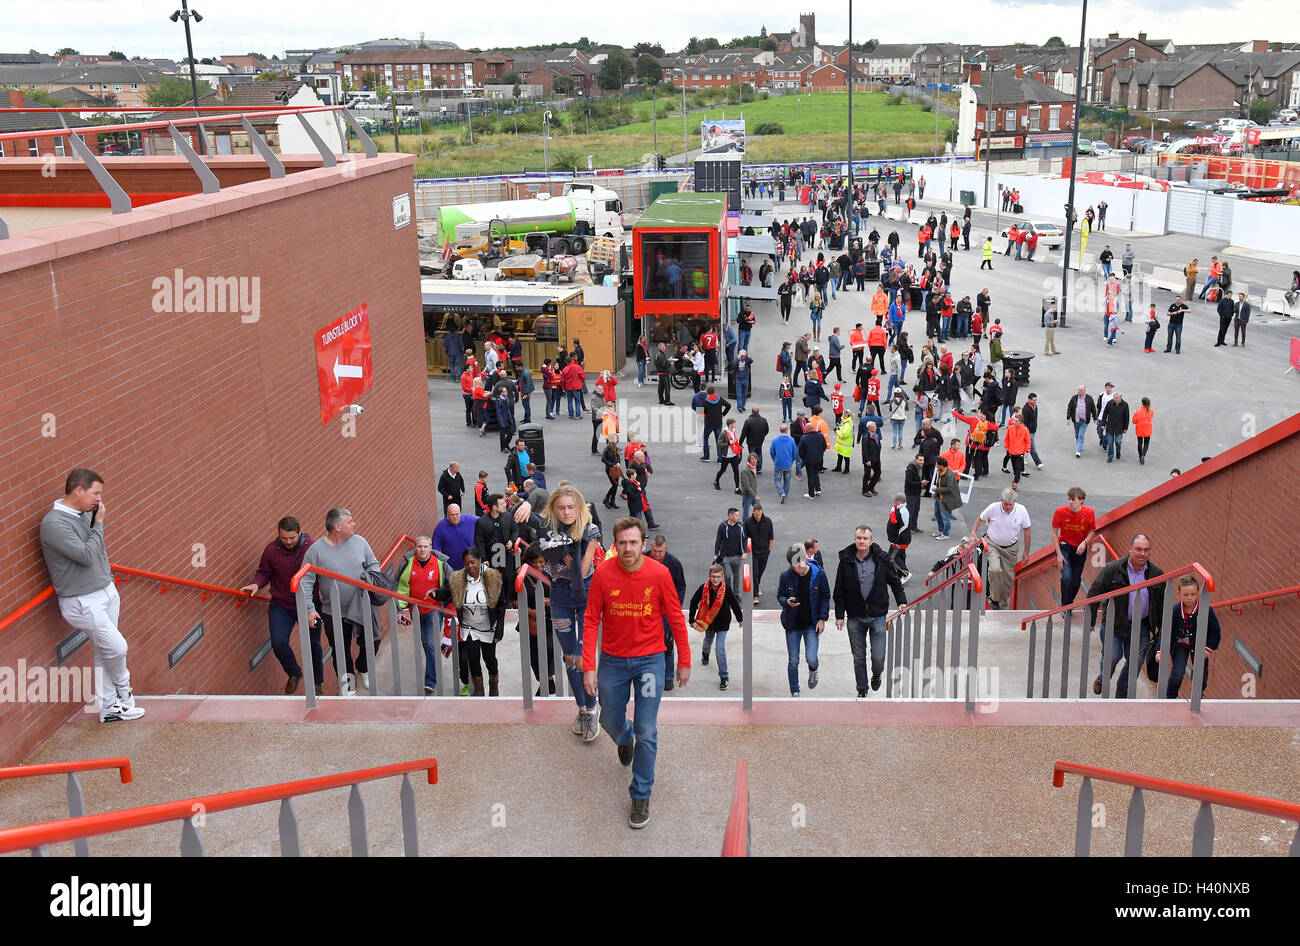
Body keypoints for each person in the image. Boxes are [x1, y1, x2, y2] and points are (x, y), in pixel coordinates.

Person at [583, 517, 691, 829]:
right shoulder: (603, 573)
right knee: (609, 720)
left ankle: (641, 791)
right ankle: (623, 737)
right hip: (613, 661)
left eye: (633, 542)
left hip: (649, 662)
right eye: (622, 543)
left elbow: (675, 617)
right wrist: (589, 666)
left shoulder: (660, 574)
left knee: (648, 730)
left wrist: (684, 659)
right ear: (614, 546)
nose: (628, 548)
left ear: (643, 544)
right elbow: (591, 619)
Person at [39, 469, 145, 722]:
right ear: (78, 490)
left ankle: (109, 708)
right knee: (118, 647)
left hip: (105, 591)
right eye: (96, 493)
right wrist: (98, 524)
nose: (99, 500)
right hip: (82, 601)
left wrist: (107, 578)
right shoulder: (55, 524)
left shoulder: (83, 514)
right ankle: (124, 690)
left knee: (104, 650)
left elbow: (99, 552)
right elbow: (86, 555)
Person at [301, 508, 383, 693]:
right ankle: (349, 688)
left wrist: (371, 577)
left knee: (373, 640)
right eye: (349, 521)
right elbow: (306, 581)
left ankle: (363, 667)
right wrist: (309, 609)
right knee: (340, 651)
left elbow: (374, 564)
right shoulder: (315, 551)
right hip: (333, 612)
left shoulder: (360, 541)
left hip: (362, 605)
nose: (354, 524)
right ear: (337, 527)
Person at [239, 516, 321, 695]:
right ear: (279, 535)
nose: (289, 542)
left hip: (309, 605)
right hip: (281, 605)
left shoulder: (312, 548)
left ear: (299, 533)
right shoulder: (271, 550)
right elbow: (264, 572)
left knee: (313, 643)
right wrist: (255, 584)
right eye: (284, 538)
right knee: (278, 642)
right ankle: (294, 673)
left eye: (292, 538)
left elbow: (322, 572)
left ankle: (316, 684)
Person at [833, 525, 908, 698]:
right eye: (859, 538)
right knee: (858, 657)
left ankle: (876, 674)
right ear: (855, 539)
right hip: (855, 617)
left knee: (878, 658)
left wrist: (902, 602)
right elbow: (839, 590)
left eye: (865, 538)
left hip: (877, 616)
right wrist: (839, 616)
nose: (861, 541)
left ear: (870, 540)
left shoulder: (882, 559)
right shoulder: (846, 561)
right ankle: (862, 688)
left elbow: (895, 582)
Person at [1089, 534, 1164, 698]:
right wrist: (1091, 619)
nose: (1142, 553)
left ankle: (1121, 695)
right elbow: (1095, 592)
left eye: (1146, 550)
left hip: (1141, 625)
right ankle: (1103, 678)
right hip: (1114, 624)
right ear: (1129, 549)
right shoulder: (1113, 569)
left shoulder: (1157, 574)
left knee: (1135, 662)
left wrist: (1162, 630)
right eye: (1138, 549)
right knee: (1113, 657)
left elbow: (1160, 605)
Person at [393, 535, 452, 696]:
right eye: (419, 546)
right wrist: (401, 610)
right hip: (415, 611)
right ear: (415, 547)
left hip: (434, 611)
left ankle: (430, 681)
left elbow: (452, 584)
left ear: (430, 548)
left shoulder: (440, 563)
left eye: (425, 547)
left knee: (430, 643)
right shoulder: (408, 563)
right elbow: (399, 586)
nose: (422, 550)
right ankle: (433, 670)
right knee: (426, 644)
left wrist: (441, 597)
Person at [447, 548, 505, 698]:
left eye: (472, 562)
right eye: (466, 564)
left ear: (479, 560)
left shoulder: (492, 577)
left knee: (490, 659)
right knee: (472, 659)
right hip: (469, 627)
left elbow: (501, 606)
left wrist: (499, 630)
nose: (470, 566)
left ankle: (493, 683)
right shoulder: (458, 579)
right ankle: (479, 688)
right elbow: (447, 592)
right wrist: (435, 593)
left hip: (488, 627)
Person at [1155, 576, 1220, 700]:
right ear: (1179, 593)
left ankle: (1197, 696)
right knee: (1177, 673)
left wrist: (1208, 648)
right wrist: (1160, 650)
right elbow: (1165, 631)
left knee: (1201, 674)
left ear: (1198, 593)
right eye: (1185, 594)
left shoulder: (1207, 610)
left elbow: (1215, 632)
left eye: (1193, 594)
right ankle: (1170, 698)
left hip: (1199, 645)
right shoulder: (1175, 610)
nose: (1189, 598)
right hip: (1180, 645)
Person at [777, 543, 830, 697]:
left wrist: (822, 619)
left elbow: (825, 597)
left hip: (811, 624)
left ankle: (813, 669)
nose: (797, 569)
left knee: (811, 658)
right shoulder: (785, 576)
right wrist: (786, 601)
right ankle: (794, 690)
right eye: (793, 566)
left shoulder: (818, 574)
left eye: (799, 565)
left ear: (805, 559)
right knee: (793, 661)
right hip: (792, 624)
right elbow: (780, 595)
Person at [968, 488, 1031, 610]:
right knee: (995, 570)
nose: (1008, 507)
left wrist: (1026, 552)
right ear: (1001, 500)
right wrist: (973, 532)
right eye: (1005, 504)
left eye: (1010, 504)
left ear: (1015, 502)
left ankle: (1002, 603)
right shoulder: (993, 507)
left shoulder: (1021, 510)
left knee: (1007, 577)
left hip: (1011, 548)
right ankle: (994, 599)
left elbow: (1027, 530)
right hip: (993, 544)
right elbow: (980, 518)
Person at [689, 564, 745, 691]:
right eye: (713, 576)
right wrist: (692, 620)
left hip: (723, 623)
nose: (715, 579)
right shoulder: (703, 588)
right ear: (709, 576)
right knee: (707, 641)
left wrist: (740, 619)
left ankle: (724, 676)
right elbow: (693, 602)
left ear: (722, 577)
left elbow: (734, 605)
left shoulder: (727, 590)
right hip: (708, 623)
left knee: (720, 648)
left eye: (718, 577)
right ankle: (705, 653)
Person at [647, 535, 688, 690]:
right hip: (646, 610)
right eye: (654, 551)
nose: (657, 555)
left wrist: (674, 607)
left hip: (665, 612)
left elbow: (681, 586)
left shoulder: (674, 563)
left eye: (660, 552)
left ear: (666, 549)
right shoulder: (642, 558)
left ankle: (668, 677)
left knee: (667, 642)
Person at [1051, 488, 1098, 606]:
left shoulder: (1089, 512)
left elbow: (1093, 531)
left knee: (1076, 582)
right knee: (1066, 578)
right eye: (1069, 499)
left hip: (1079, 550)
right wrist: (1059, 554)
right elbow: (1054, 533)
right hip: (1064, 547)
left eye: (1073, 499)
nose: (1070, 502)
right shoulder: (1060, 512)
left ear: (1081, 500)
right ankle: (1065, 607)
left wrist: (1085, 542)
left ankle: (1068, 604)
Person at [433, 504, 477, 576]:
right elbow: (435, 550)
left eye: (457, 514)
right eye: (452, 515)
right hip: (452, 569)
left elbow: (485, 523)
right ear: (447, 515)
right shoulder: (440, 527)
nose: (455, 517)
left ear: (460, 513)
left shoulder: (472, 521)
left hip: (471, 566)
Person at [745, 502, 775, 602]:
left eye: (760, 514)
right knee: (755, 574)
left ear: (762, 512)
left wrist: (769, 550)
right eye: (756, 514)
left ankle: (757, 586)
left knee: (760, 571)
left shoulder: (768, 521)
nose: (758, 516)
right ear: (753, 512)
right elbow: (745, 538)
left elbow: (771, 537)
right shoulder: (748, 522)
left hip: (765, 551)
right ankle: (755, 595)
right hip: (753, 553)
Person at [797, 415, 827, 499]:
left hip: (809, 460)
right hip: (818, 458)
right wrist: (820, 454)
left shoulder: (804, 438)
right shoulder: (820, 436)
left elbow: (801, 451)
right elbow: (824, 446)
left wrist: (804, 458)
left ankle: (811, 494)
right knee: (816, 474)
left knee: (810, 476)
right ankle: (818, 489)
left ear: (807, 429)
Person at [932, 457, 963, 540]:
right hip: (940, 497)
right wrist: (936, 494)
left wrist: (937, 490)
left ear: (941, 465)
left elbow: (949, 488)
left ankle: (946, 534)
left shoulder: (949, 475)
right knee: (938, 514)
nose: (936, 466)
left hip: (946, 500)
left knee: (945, 517)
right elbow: (939, 484)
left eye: (938, 465)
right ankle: (941, 530)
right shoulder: (941, 472)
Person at [769, 422, 797, 504]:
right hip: (788, 463)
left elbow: (771, 451)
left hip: (778, 463)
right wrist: (792, 461)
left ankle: (782, 493)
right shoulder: (791, 440)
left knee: (777, 479)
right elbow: (794, 453)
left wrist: (774, 459)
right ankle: (785, 494)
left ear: (780, 430)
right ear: (787, 430)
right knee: (787, 480)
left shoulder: (775, 440)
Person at [1066, 385, 1097, 458]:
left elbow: (1093, 409)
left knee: (1080, 435)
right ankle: (1080, 445)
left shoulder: (1089, 398)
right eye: (1078, 390)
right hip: (1076, 420)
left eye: (1080, 390)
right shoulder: (1074, 398)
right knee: (1077, 434)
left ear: (1084, 391)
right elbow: (1069, 407)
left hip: (1084, 421)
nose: (1079, 391)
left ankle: (1078, 451)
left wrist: (1095, 418)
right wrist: (1068, 418)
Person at [739, 405, 770, 474]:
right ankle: (759, 468)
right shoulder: (764, 420)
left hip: (751, 441)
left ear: (752, 412)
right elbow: (767, 430)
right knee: (759, 453)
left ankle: (753, 467)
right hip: (760, 440)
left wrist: (740, 443)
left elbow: (743, 433)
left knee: (752, 455)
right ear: (758, 412)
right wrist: (762, 436)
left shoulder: (748, 421)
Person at [1133, 397, 1155, 465]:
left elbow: (1134, 421)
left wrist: (1135, 414)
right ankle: (1143, 455)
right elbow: (1151, 418)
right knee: (1146, 443)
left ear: (1142, 403)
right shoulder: (1151, 411)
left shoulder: (1137, 412)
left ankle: (1140, 457)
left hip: (1140, 428)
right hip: (1147, 429)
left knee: (1140, 443)